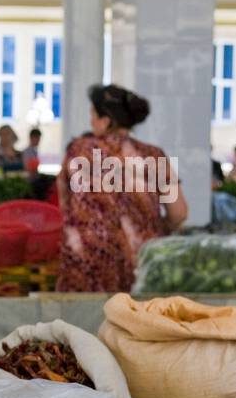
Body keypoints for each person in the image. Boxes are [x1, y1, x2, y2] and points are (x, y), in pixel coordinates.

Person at [55, 84, 187, 292]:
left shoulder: (79, 150)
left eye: (92, 115)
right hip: (141, 264)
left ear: (106, 121)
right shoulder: (154, 155)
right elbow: (179, 213)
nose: (91, 121)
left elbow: (64, 203)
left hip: (87, 263)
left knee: (80, 323)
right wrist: (153, 228)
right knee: (133, 323)